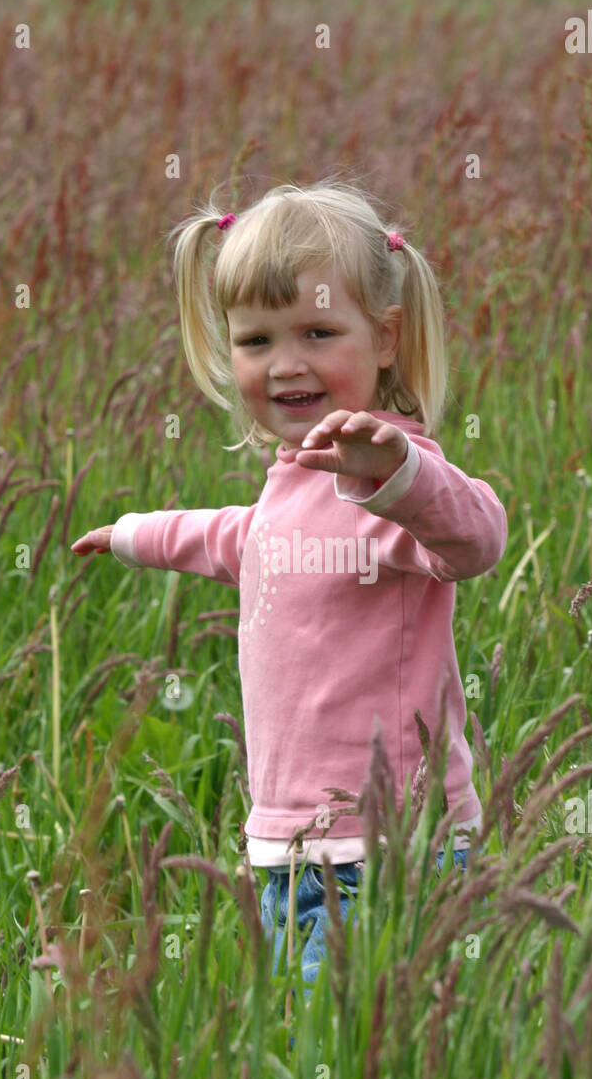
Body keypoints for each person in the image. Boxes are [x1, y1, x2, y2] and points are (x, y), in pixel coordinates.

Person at [71, 179, 507, 1011]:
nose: (286, 363)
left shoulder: (389, 473)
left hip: (389, 846)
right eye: (257, 340)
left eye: (317, 331)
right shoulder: (288, 482)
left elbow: (477, 537)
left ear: (385, 338)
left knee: (342, 1047)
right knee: (308, 1053)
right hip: (288, 846)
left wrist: (400, 477)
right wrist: (132, 533)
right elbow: (241, 540)